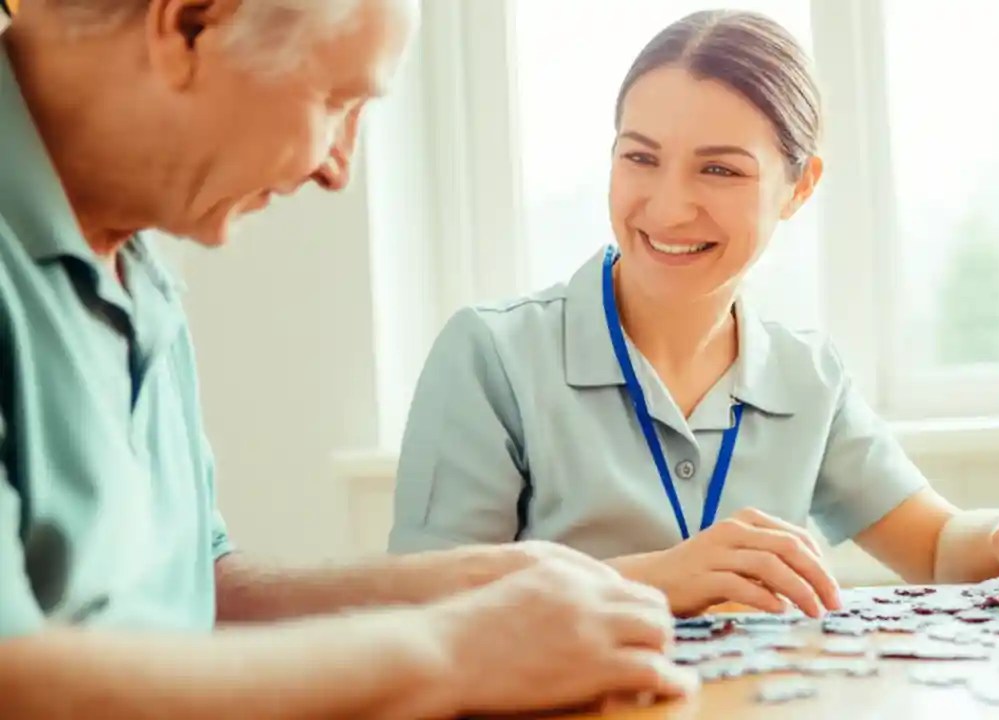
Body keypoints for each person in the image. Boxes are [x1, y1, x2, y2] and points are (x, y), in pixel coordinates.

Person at [0, 1, 694, 717]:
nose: (337, 168)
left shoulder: (137, 262)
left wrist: (471, 582)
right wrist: (451, 651)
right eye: (335, 101)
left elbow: (199, 591)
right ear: (188, 27)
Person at [390, 9, 999, 619]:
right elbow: (428, 606)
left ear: (800, 188)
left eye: (720, 169)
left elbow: (932, 542)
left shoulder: (806, 375)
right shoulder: (492, 354)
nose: (669, 206)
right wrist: (657, 580)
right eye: (640, 158)